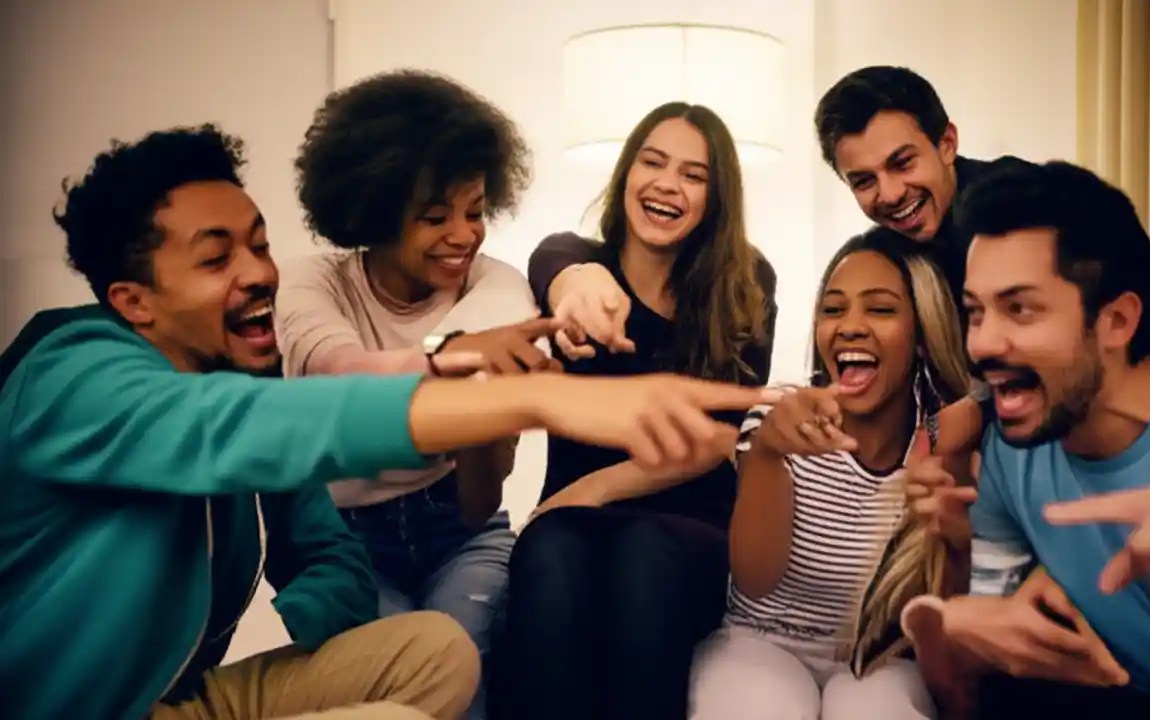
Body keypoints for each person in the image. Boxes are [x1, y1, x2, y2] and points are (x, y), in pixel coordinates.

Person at [0, 124, 776, 720]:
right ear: (133, 302)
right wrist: (535, 397)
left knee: (440, 650)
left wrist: (314, 620)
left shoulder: (235, 367)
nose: (258, 273)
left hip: (187, 696)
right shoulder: (72, 375)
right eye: (216, 259)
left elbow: (319, 538)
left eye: (259, 245)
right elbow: (251, 425)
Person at [900, 161, 1150, 718]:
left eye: (1020, 309)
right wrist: (939, 619)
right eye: (975, 312)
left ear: (1117, 322)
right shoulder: (1011, 451)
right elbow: (976, 675)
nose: (981, 344)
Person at [491, 102, 777, 720]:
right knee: (551, 557)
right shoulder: (571, 260)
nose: (667, 184)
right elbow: (560, 270)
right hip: (571, 523)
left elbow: (713, 440)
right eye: (653, 163)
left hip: (688, 520)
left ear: (716, 199)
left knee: (642, 556)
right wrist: (577, 285)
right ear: (626, 174)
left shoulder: (746, 283)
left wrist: (589, 492)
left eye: (693, 175)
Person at [276, 70, 543, 720]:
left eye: (475, 212)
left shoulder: (497, 285)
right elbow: (338, 373)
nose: (464, 235)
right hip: (346, 541)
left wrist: (485, 420)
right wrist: (453, 362)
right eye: (434, 217)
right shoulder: (311, 283)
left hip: (460, 527)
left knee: (462, 664)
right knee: (392, 692)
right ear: (375, 212)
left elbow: (480, 497)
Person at [811, 65, 1150, 382]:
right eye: (864, 181)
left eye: (903, 163)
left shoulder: (1028, 207)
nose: (890, 194)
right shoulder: (887, 248)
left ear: (947, 144)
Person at [687, 228, 974, 719]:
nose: (850, 326)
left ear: (922, 337)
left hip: (880, 658)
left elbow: (945, 622)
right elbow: (755, 580)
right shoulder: (778, 417)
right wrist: (767, 453)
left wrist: (956, 538)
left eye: (880, 309)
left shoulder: (946, 441)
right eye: (834, 309)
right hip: (761, 642)